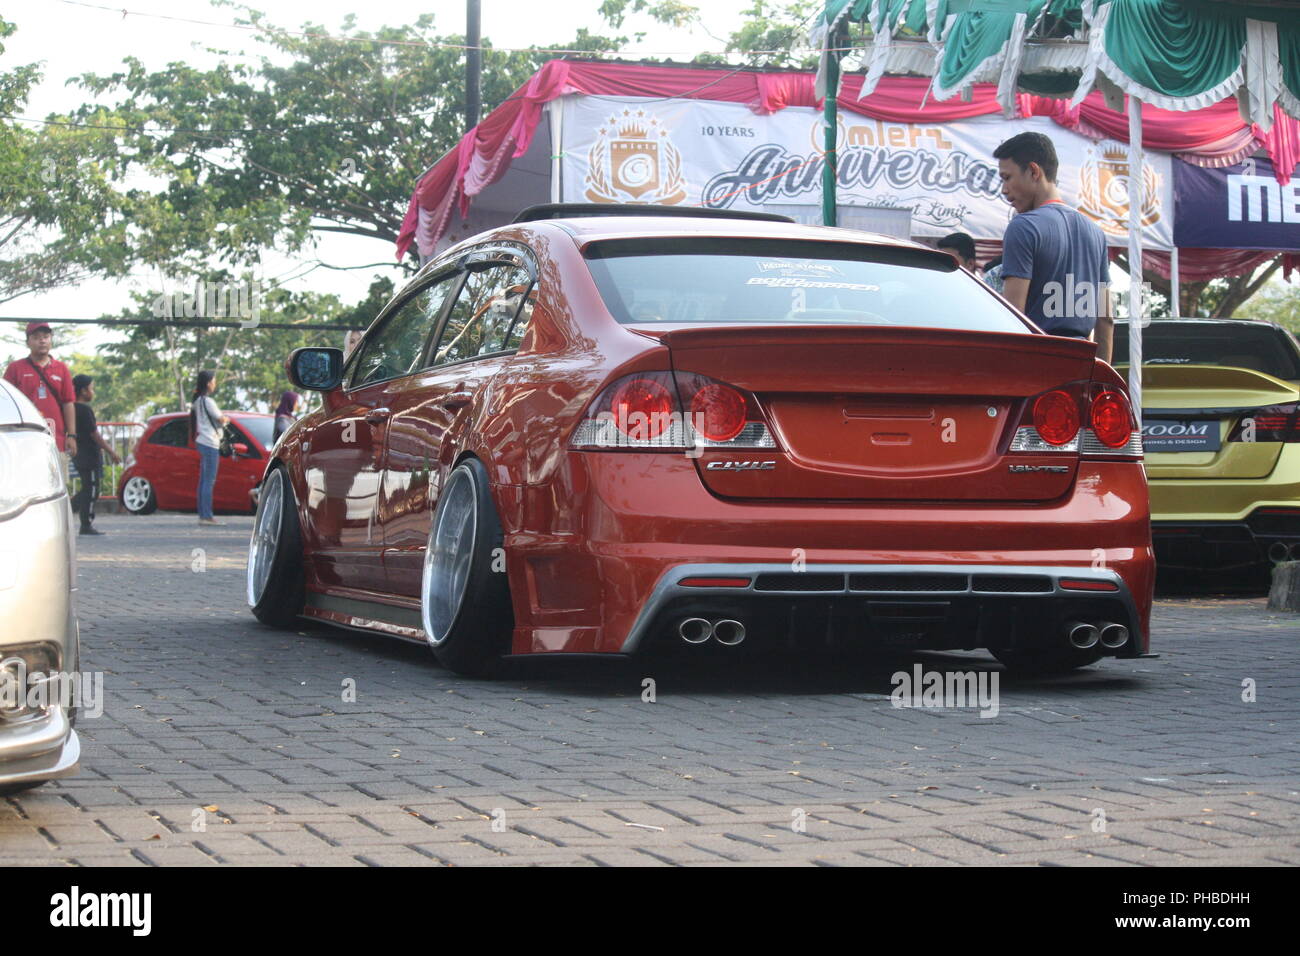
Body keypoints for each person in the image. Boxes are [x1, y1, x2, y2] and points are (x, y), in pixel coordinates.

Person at [994, 131, 1113, 362]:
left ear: (1033, 171)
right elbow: (1106, 318)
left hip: (1037, 362)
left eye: (1007, 178)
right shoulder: (1096, 233)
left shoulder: (1024, 227)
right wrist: (1100, 374)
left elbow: (1012, 316)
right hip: (1081, 363)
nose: (1004, 189)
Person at [3, 322, 78, 460]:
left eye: (46, 337)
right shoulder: (15, 368)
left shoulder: (62, 368)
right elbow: (6, 403)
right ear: (28, 342)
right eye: (36, 337)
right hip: (24, 442)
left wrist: (72, 435)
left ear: (51, 340)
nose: (42, 341)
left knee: (58, 473)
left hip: (57, 441)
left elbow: (68, 403)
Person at [70, 374, 122, 536]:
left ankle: (67, 509)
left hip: (80, 454)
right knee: (91, 489)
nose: (93, 392)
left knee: (88, 488)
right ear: (83, 391)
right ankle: (85, 524)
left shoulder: (71, 408)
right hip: (88, 455)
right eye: (91, 389)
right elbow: (94, 434)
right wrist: (111, 451)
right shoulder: (84, 409)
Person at [190, 369, 229, 526]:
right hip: (210, 442)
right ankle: (207, 516)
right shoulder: (208, 401)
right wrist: (227, 419)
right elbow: (221, 419)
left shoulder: (197, 401)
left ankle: (203, 514)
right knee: (208, 481)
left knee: (203, 481)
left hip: (202, 441)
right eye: (213, 381)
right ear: (208, 383)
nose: (215, 383)